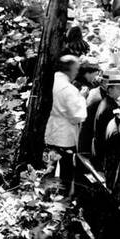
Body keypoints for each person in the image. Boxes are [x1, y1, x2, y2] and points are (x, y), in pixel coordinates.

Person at [43, 55, 86, 188]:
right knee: (66, 169)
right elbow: (77, 116)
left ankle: (47, 191)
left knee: (50, 164)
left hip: (52, 129)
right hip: (65, 135)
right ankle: (62, 198)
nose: (77, 72)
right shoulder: (69, 90)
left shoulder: (54, 79)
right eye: (76, 69)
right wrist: (82, 97)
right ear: (70, 70)